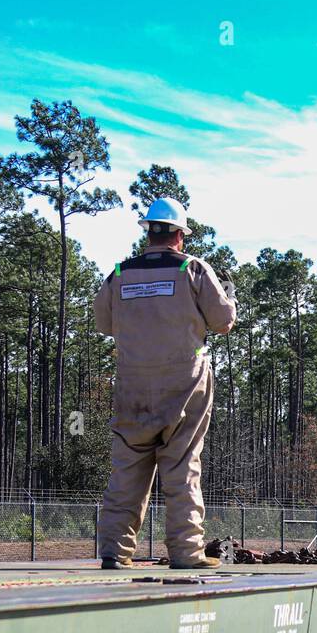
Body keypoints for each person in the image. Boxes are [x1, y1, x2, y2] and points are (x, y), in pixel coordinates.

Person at [94, 196, 237, 569]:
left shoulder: (120, 273)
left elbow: (104, 324)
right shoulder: (193, 269)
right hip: (184, 385)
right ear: (180, 236)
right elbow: (222, 321)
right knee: (181, 464)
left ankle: (114, 551)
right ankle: (187, 553)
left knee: (127, 469)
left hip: (132, 387)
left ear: (148, 232)